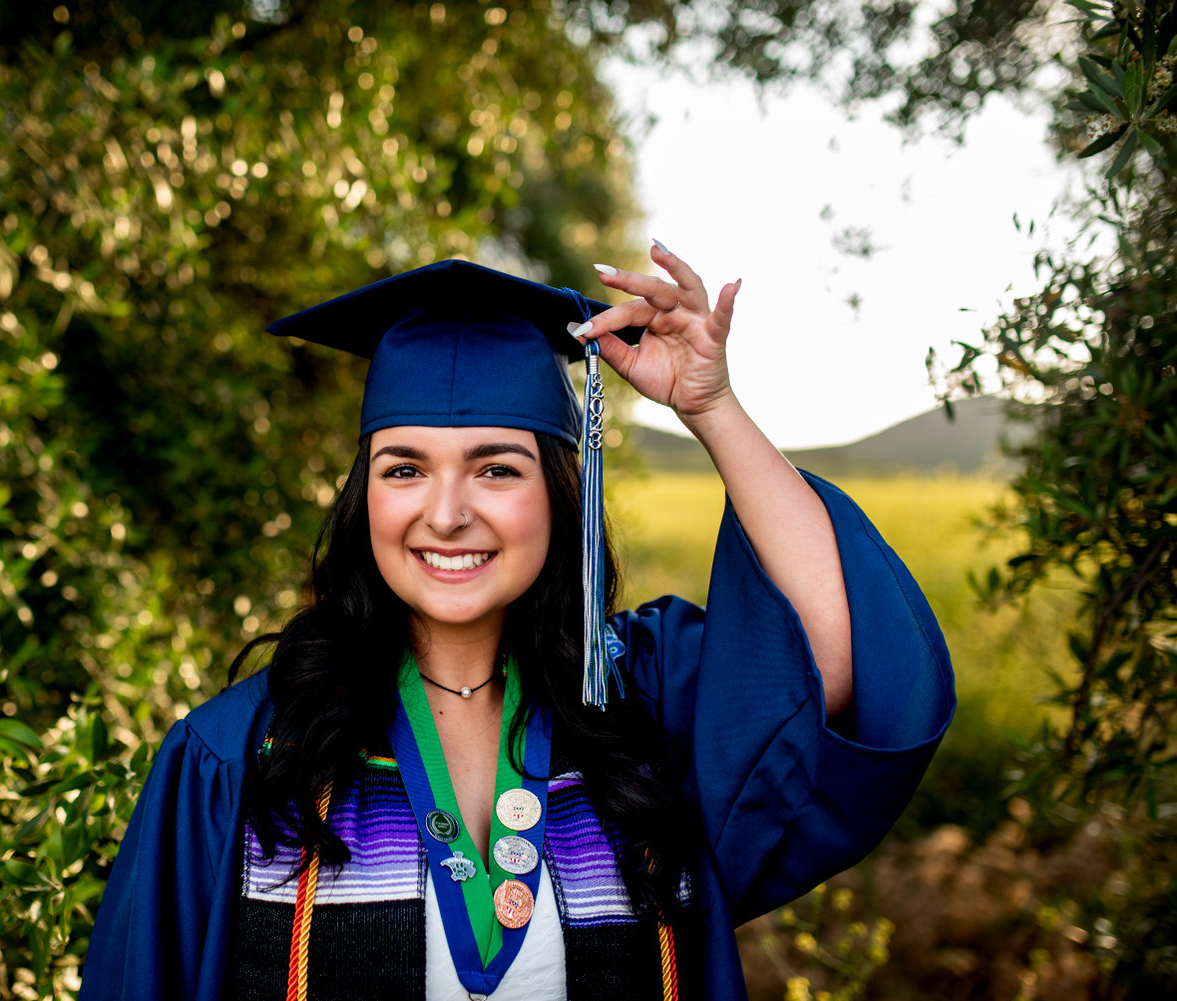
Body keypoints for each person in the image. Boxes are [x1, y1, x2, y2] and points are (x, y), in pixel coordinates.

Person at [79, 245, 955, 1001]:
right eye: (404, 469)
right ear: (362, 498)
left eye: (496, 470)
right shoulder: (243, 756)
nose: (448, 513)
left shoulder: (643, 709)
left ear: (559, 495)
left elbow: (832, 659)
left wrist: (710, 408)